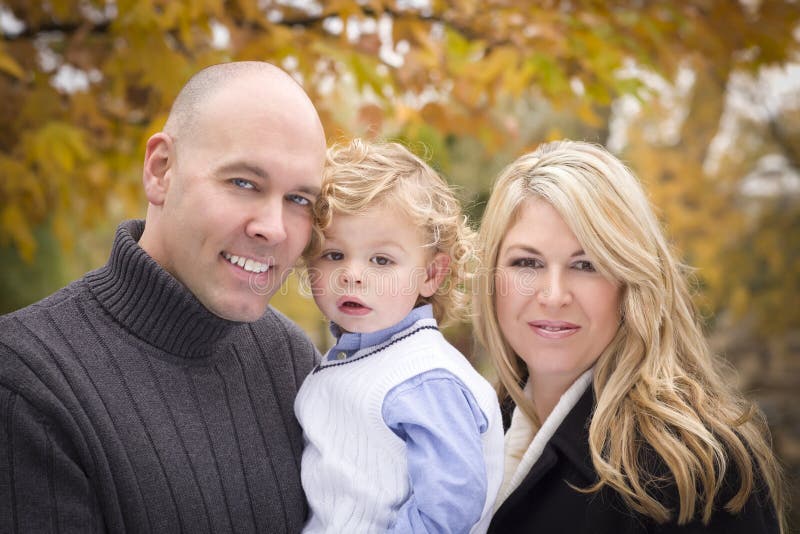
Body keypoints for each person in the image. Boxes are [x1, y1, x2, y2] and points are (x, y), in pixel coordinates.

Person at [0, 61, 327, 532]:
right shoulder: (26, 383)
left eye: (299, 200)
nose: (272, 228)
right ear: (160, 170)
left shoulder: (292, 363)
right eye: (243, 183)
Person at [473, 140, 785, 533]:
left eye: (586, 264)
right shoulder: (468, 428)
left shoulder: (693, 466)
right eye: (527, 262)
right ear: (492, 280)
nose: (553, 295)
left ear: (630, 282)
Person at [294, 139, 504, 533]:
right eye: (334, 254)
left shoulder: (424, 376)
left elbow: (451, 503)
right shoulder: (352, 362)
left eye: (381, 260)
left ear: (431, 274)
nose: (352, 274)